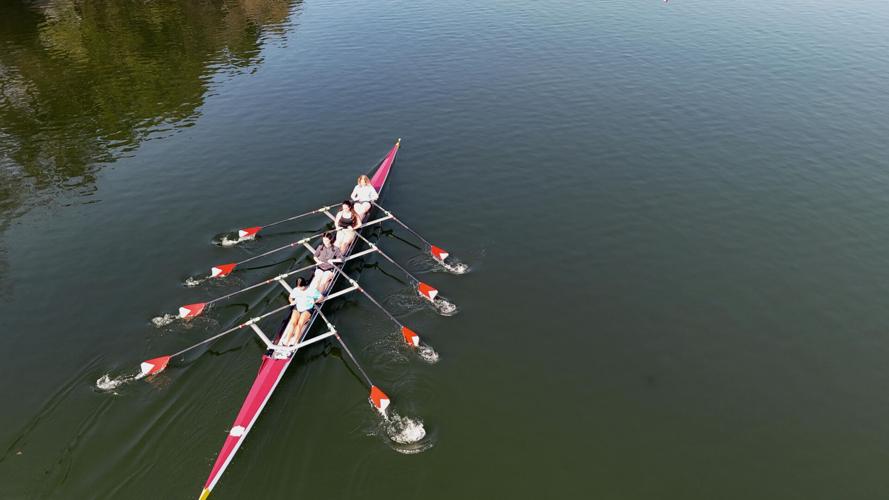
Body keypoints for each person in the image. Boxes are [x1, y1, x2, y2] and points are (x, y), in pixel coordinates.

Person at [280, 277, 323, 347]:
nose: (300, 288)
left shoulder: (311, 290)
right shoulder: (295, 290)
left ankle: (294, 341)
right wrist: (291, 302)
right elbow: (290, 297)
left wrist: (315, 302)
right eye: (299, 287)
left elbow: (321, 297)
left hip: (307, 309)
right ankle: (286, 341)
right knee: (293, 323)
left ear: (305, 284)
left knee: (300, 324)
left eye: (302, 287)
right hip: (297, 308)